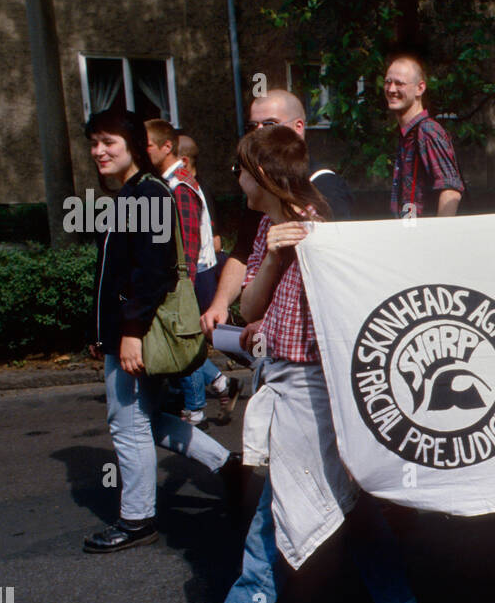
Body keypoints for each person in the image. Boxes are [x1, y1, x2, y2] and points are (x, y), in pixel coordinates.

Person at [144, 126, 427, 603]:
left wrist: (277, 322)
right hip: (290, 384)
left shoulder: (321, 231)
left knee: (272, 526)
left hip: (315, 395)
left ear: (265, 176)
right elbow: (251, 304)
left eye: (242, 170)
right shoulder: (270, 230)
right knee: (353, 509)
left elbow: (344, 320)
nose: (236, 179)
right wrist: (270, 279)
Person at [82, 109, 242, 553]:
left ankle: (137, 520)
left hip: (141, 334)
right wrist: (101, 333)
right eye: (94, 143)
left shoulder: (148, 193)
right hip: (128, 331)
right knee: (145, 421)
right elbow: (114, 274)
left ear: (132, 145)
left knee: (128, 425)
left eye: (108, 142)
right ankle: (227, 465)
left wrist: (130, 332)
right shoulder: (133, 193)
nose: (98, 151)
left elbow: (153, 273)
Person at [200, 90, 349, 339]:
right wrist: (221, 303)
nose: (258, 132)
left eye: (269, 124)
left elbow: (333, 281)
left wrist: (270, 322)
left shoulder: (323, 190)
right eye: (252, 126)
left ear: (298, 127)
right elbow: (243, 253)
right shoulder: (263, 210)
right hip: (275, 339)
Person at [144, 120, 240, 427]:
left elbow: (187, 245)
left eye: (146, 145)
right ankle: (222, 383)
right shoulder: (170, 183)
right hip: (189, 274)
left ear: (166, 147)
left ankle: (196, 409)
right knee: (188, 339)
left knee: (183, 337)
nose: (141, 151)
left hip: (189, 277)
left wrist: (179, 287)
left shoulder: (179, 186)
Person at [385, 55, 464, 218]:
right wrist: (407, 228)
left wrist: (440, 233)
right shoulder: (408, 134)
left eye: (399, 83)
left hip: (427, 232)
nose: (391, 89)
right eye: (388, 82)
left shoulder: (428, 131)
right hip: (412, 230)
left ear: (420, 88)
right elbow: (410, 200)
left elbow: (451, 191)